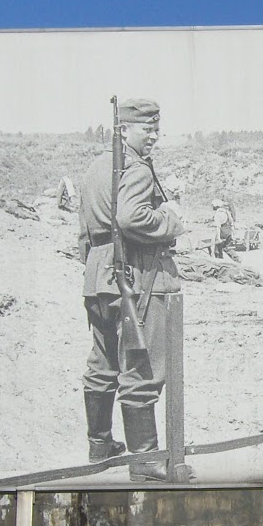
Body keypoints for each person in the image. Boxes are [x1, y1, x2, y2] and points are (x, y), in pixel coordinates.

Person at [79, 98, 188, 481]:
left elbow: (85, 233)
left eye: (157, 129)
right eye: (147, 130)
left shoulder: (95, 169)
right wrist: (171, 220)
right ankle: (145, 461)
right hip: (138, 277)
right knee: (142, 365)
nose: (155, 136)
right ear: (123, 130)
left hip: (99, 278)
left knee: (104, 362)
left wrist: (96, 271)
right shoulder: (136, 169)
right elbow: (131, 217)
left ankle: (100, 443)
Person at [209, 197, 239, 262]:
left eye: (212, 205)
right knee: (227, 247)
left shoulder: (217, 214)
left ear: (215, 206)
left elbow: (218, 227)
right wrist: (232, 234)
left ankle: (218, 261)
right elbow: (231, 223)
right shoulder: (227, 212)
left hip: (222, 233)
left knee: (217, 248)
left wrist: (218, 238)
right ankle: (236, 258)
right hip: (228, 232)